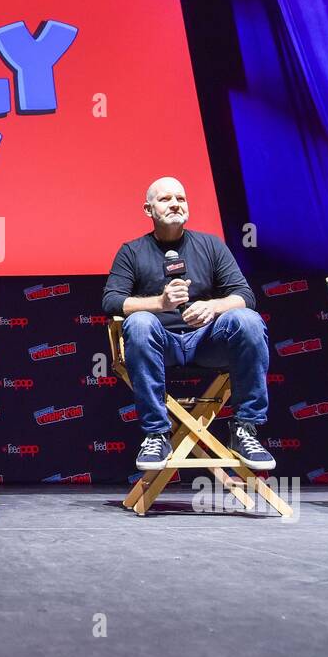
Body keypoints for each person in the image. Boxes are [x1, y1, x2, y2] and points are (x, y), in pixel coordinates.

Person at [102, 177, 275, 472]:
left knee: (247, 319)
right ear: (148, 209)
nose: (175, 204)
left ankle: (246, 428)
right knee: (140, 322)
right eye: (165, 199)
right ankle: (157, 433)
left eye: (180, 199)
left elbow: (245, 295)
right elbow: (111, 301)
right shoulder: (132, 251)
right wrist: (160, 304)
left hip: (206, 342)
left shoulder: (211, 245)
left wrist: (213, 306)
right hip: (160, 344)